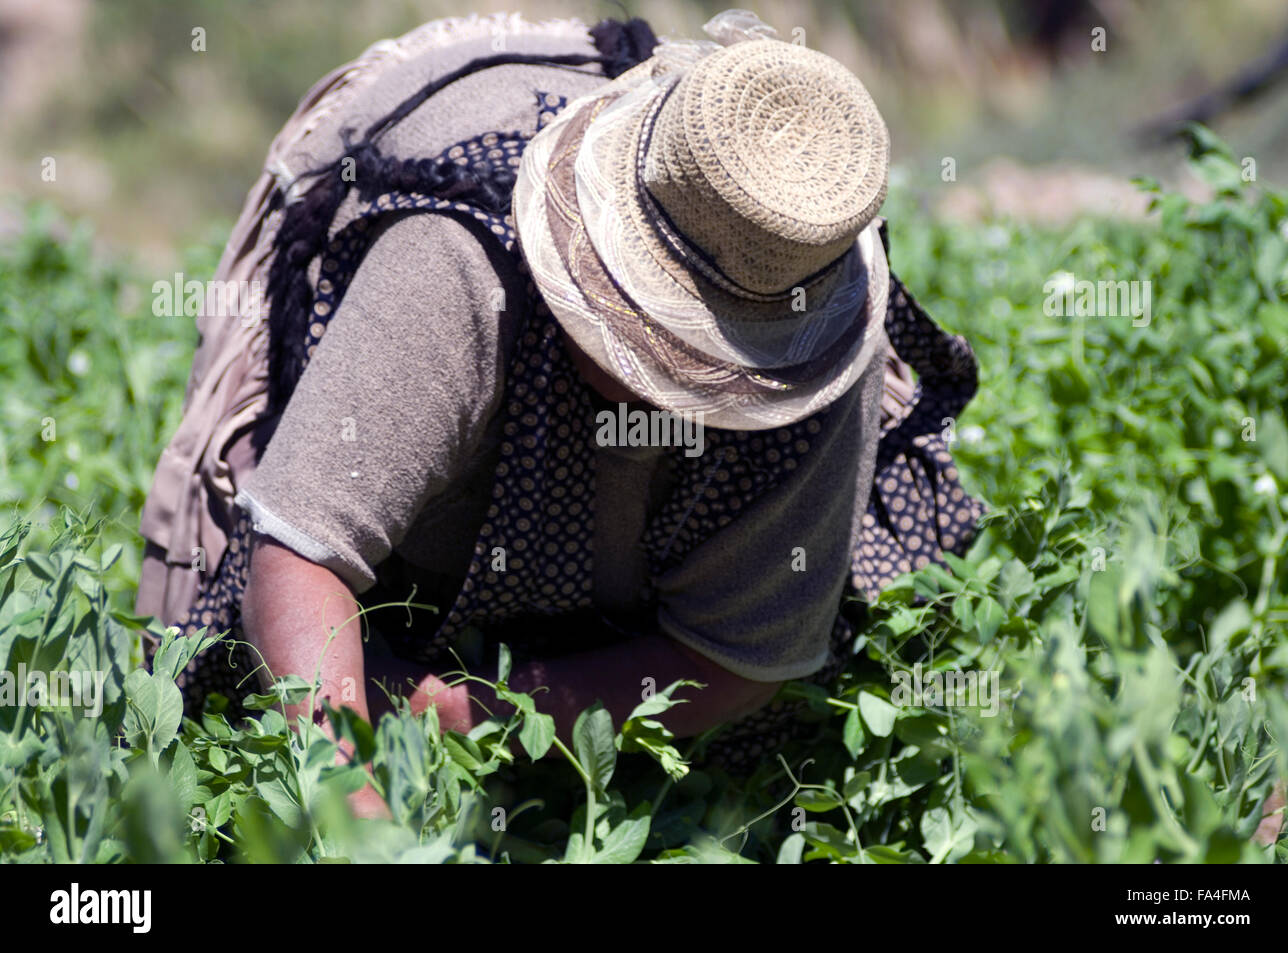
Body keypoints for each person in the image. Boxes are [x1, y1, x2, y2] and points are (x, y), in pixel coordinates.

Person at [135, 10, 983, 816]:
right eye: (648, 351)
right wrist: (352, 799)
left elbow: (739, 657)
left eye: (707, 374)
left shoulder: (821, 341)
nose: (666, 399)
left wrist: (458, 709)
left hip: (585, 617)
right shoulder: (453, 267)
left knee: (756, 747)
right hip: (421, 208)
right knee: (232, 678)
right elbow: (298, 552)